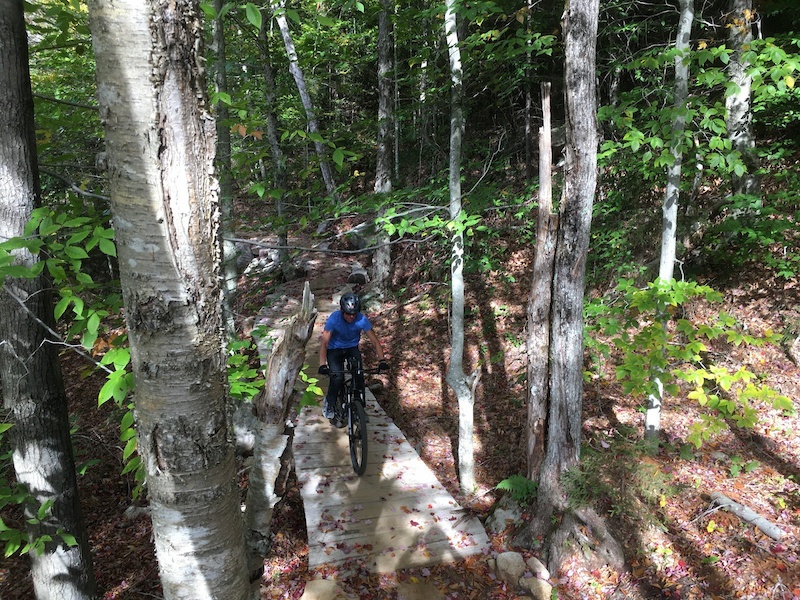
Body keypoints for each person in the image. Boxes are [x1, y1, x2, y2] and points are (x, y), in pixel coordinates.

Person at [318, 292, 388, 426]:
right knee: (337, 378)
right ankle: (330, 404)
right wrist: (322, 364)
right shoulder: (334, 319)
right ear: (342, 311)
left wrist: (382, 360)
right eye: (348, 314)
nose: (351, 317)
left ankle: (360, 408)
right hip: (334, 349)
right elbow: (324, 343)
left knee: (359, 377)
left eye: (354, 314)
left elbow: (374, 341)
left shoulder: (361, 319)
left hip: (351, 348)